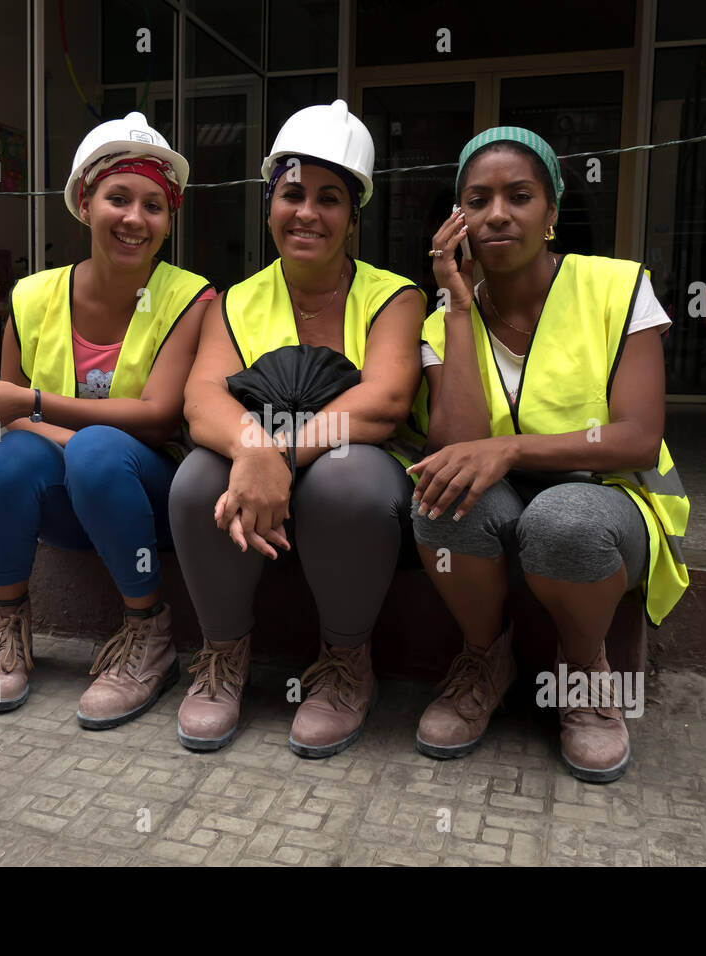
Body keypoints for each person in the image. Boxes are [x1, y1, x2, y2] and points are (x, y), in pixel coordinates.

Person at [408, 127, 690, 782]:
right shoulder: (441, 319)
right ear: (458, 222)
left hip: (613, 501)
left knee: (563, 519)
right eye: (477, 200)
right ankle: (485, 657)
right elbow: (456, 446)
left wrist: (509, 449)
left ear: (552, 213)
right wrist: (456, 305)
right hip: (508, 501)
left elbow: (639, 437)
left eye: (519, 195)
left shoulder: (616, 290)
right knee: (437, 499)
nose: (497, 213)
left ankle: (586, 673)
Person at [167, 100, 426, 758]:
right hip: (261, 461)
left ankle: (344, 664)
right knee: (198, 479)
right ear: (268, 205)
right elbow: (201, 400)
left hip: (355, 469)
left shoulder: (395, 296)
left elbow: (386, 402)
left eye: (329, 198)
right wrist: (252, 447)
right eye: (292, 193)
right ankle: (223, 655)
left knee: (347, 480)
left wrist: (275, 451)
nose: (307, 212)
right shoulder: (236, 300)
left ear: (353, 217)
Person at [0, 112, 214, 724]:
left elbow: (157, 419)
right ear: (84, 202)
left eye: (154, 205)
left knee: (95, 451)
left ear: (169, 219)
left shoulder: (191, 297)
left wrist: (29, 404)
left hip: (146, 503)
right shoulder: (30, 296)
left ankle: (150, 634)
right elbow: (9, 416)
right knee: (9, 461)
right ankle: (8, 625)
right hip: (72, 507)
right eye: (118, 198)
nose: (134, 219)